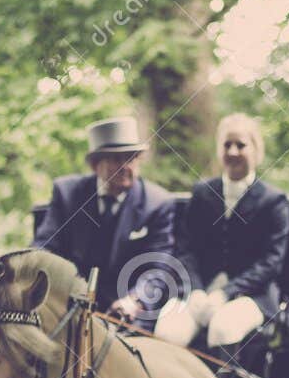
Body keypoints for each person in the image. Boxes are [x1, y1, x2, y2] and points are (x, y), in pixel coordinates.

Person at [161, 113, 289, 352]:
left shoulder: (273, 201)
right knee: (168, 328)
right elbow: (185, 248)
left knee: (224, 327)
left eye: (241, 145)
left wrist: (226, 293)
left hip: (253, 296)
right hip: (200, 292)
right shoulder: (202, 193)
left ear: (256, 150)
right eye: (226, 145)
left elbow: (271, 262)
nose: (233, 152)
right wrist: (196, 290)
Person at [32, 116, 179, 329]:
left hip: (127, 315)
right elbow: (44, 249)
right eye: (115, 160)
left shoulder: (157, 204)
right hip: (70, 307)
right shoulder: (68, 195)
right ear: (95, 165)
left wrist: (135, 300)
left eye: (130, 158)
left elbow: (159, 266)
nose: (125, 167)